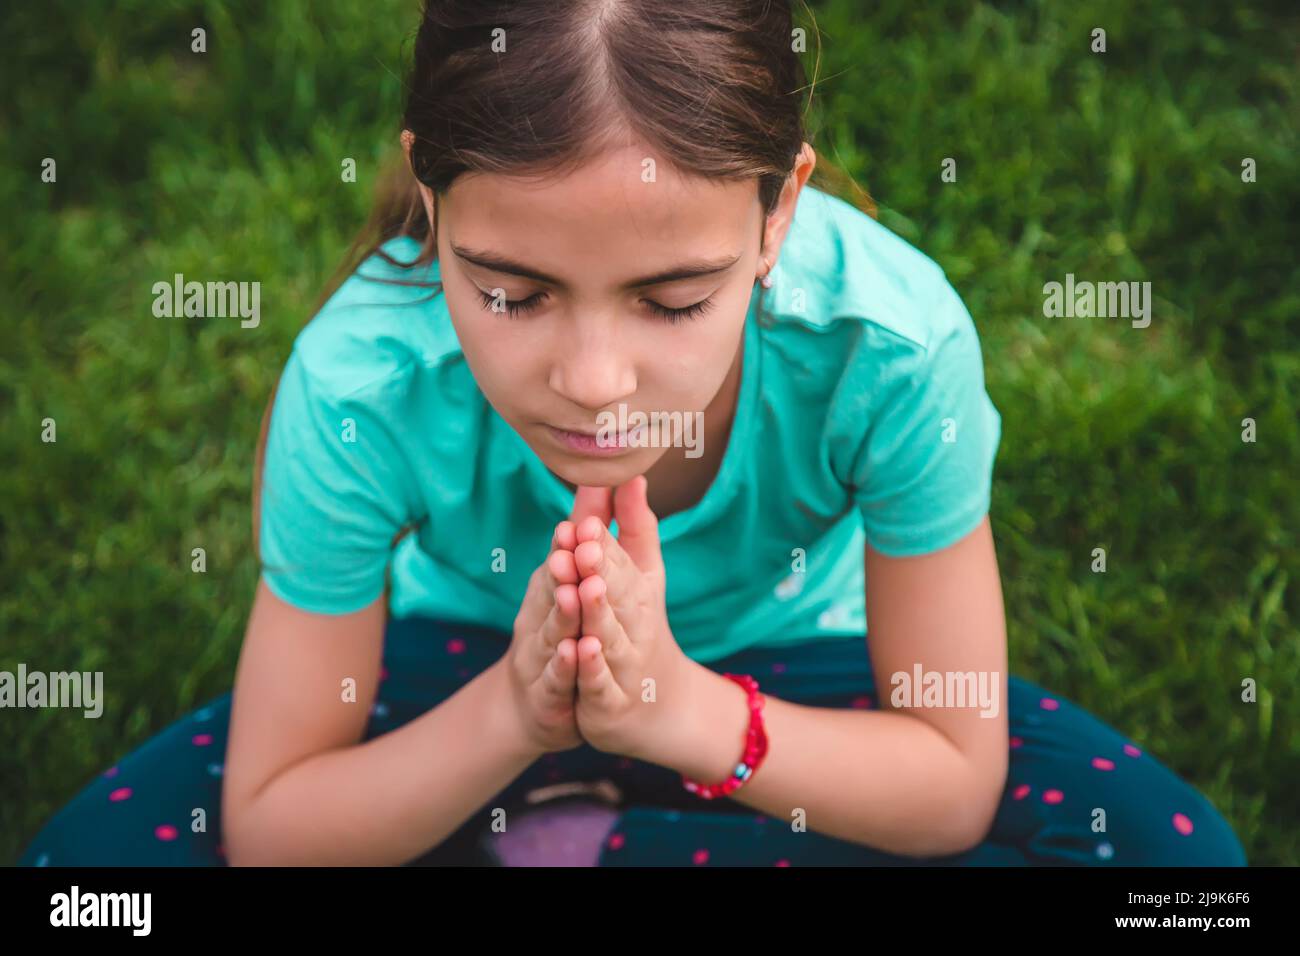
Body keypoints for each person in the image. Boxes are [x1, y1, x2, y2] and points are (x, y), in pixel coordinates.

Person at [20, 0, 1246, 867]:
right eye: (510, 290)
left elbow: (948, 775)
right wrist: (515, 706)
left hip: (790, 678)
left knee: (1168, 863)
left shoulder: (889, 348)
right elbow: (277, 820)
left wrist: (685, 712)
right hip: (462, 659)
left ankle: (571, 836)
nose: (597, 383)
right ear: (431, 199)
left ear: (778, 216)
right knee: (89, 881)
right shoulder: (357, 385)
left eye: (672, 301)